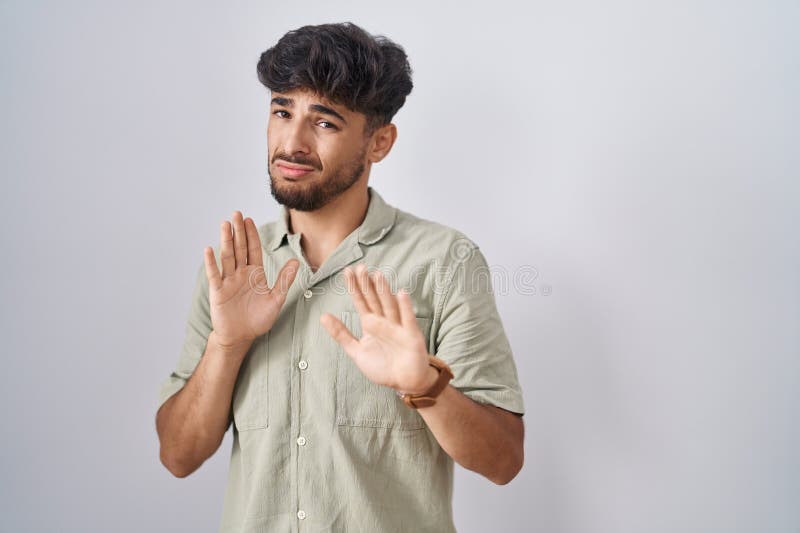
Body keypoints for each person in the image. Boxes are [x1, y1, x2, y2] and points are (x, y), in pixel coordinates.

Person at [155, 21, 525, 533]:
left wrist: (426, 387)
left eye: (325, 123)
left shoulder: (446, 261)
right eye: (282, 112)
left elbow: (503, 460)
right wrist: (227, 344)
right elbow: (178, 456)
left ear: (380, 142)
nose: (293, 142)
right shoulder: (235, 269)